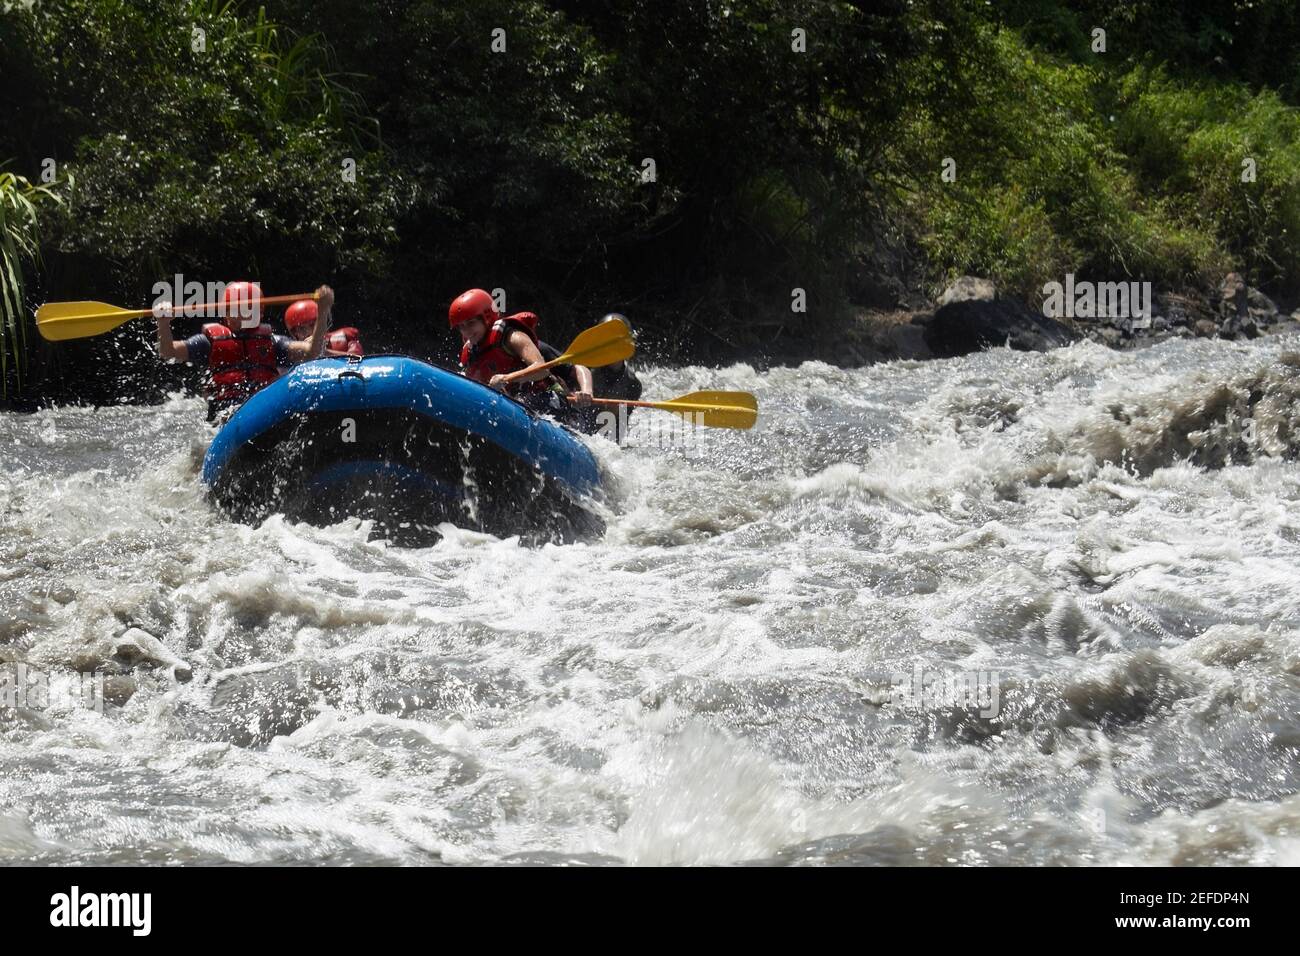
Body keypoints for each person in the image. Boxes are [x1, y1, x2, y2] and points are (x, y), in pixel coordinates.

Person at [156, 282, 333, 421]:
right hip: (224, 413)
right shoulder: (209, 342)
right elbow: (168, 351)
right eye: (236, 309)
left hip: (263, 408)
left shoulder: (272, 342)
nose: (241, 314)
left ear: (260, 313)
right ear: (226, 313)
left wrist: (323, 310)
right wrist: (163, 324)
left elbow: (312, 352)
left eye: (248, 309)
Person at [448, 288, 595, 428]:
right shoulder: (471, 355)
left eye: (471, 323)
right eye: (461, 326)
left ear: (486, 318)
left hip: (550, 403)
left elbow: (542, 370)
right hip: (518, 407)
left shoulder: (512, 337)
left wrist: (586, 391)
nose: (466, 331)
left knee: (528, 401)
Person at [285, 298, 364, 357]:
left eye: (313, 325)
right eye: (302, 329)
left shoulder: (344, 338)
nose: (309, 331)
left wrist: (323, 352)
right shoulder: (288, 350)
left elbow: (359, 358)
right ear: (294, 333)